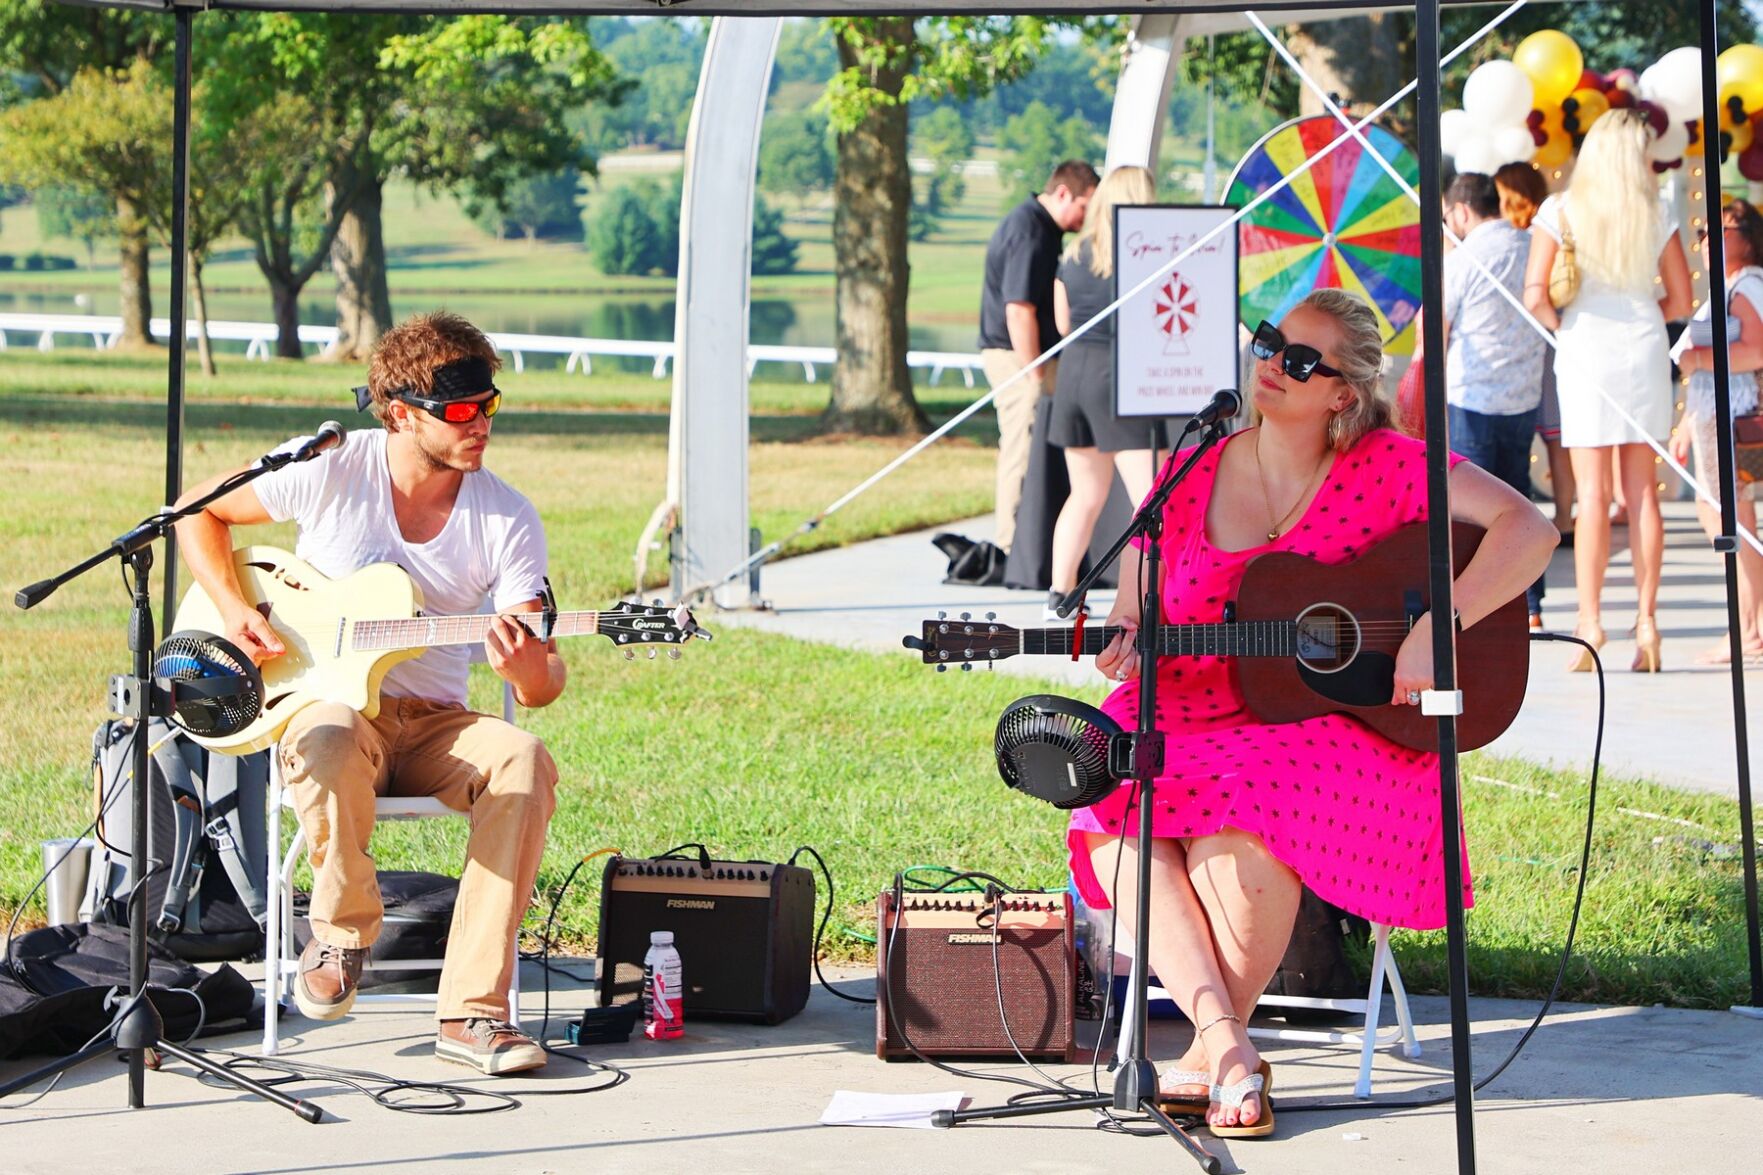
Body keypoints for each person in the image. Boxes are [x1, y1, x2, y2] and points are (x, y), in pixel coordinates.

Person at [1071, 289, 1555, 1136]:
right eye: (1266, 342)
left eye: (1299, 359)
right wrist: (1125, 630)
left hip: (1332, 726)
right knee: (1110, 776)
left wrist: (1443, 621)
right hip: (1186, 702)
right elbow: (1135, 599)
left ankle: (1209, 1049)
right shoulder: (1195, 467)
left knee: (1250, 808)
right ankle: (1225, 1046)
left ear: (1343, 391)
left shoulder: (1394, 464)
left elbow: (1528, 529)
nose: (1270, 363)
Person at [173, 312, 565, 1075]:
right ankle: (341, 937)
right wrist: (233, 608)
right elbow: (200, 510)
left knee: (523, 757)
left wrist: (523, 669)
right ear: (398, 412)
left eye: (489, 405)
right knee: (325, 736)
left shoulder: (507, 516)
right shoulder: (332, 465)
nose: (480, 423)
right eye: (459, 411)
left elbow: (543, 680)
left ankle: (473, 1013)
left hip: (434, 724)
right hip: (334, 711)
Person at [1522, 108, 1693, 672]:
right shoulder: (1657, 209)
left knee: (1593, 495)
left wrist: (1566, 326)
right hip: (1642, 345)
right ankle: (1647, 621)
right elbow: (1679, 299)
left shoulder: (1560, 208)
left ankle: (1590, 623)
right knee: (1642, 492)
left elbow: (1535, 296)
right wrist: (1642, 316)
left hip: (1585, 347)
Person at [1045, 164, 1172, 620]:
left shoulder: (1074, 253)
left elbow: (1063, 324)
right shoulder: (1143, 256)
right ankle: (1142, 595)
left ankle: (1059, 594)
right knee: (1150, 501)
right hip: (1120, 382)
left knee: (1084, 494)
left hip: (1074, 377)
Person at [1442, 171, 1549, 629]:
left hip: (1473, 396)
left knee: (1474, 514)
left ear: (1462, 211)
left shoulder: (1464, 257)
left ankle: (1482, 609)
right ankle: (1531, 606)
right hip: (1523, 395)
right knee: (1519, 500)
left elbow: (1438, 324)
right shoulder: (1530, 246)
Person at [979, 159, 1099, 558]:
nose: (1087, 218)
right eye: (1085, 206)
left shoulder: (1042, 228)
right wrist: (1034, 371)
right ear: (1063, 193)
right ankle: (1012, 546)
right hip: (1018, 356)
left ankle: (1031, 541)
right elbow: (1019, 310)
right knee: (1022, 445)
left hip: (1031, 355)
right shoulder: (1029, 230)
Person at [1671, 198, 1763, 664]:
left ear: (1745, 237)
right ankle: (1749, 622)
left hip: (1733, 419)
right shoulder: (1729, 287)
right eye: (1704, 233)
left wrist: (1697, 361)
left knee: (1733, 522)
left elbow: (1754, 351)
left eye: (1718, 231)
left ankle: (1750, 626)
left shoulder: (1744, 286)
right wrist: (1688, 422)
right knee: (1725, 518)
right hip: (1716, 418)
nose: (1706, 241)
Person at [1495, 161, 1576, 547]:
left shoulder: (1513, 237)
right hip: (1551, 338)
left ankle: (1558, 516)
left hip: (1534, 343)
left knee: (1543, 438)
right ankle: (1565, 515)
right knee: (1557, 440)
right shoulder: (1552, 229)